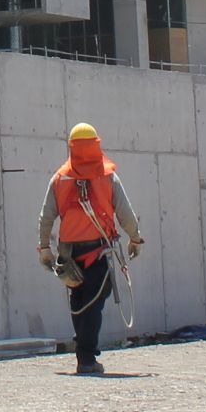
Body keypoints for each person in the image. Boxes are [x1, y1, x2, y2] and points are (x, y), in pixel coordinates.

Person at [35, 122, 144, 376]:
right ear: (97, 144)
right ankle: (86, 357)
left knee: (79, 301)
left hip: (68, 255)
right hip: (98, 252)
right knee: (94, 304)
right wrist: (135, 239)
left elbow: (46, 217)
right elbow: (125, 212)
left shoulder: (59, 178)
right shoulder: (108, 177)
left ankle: (83, 353)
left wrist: (44, 249)